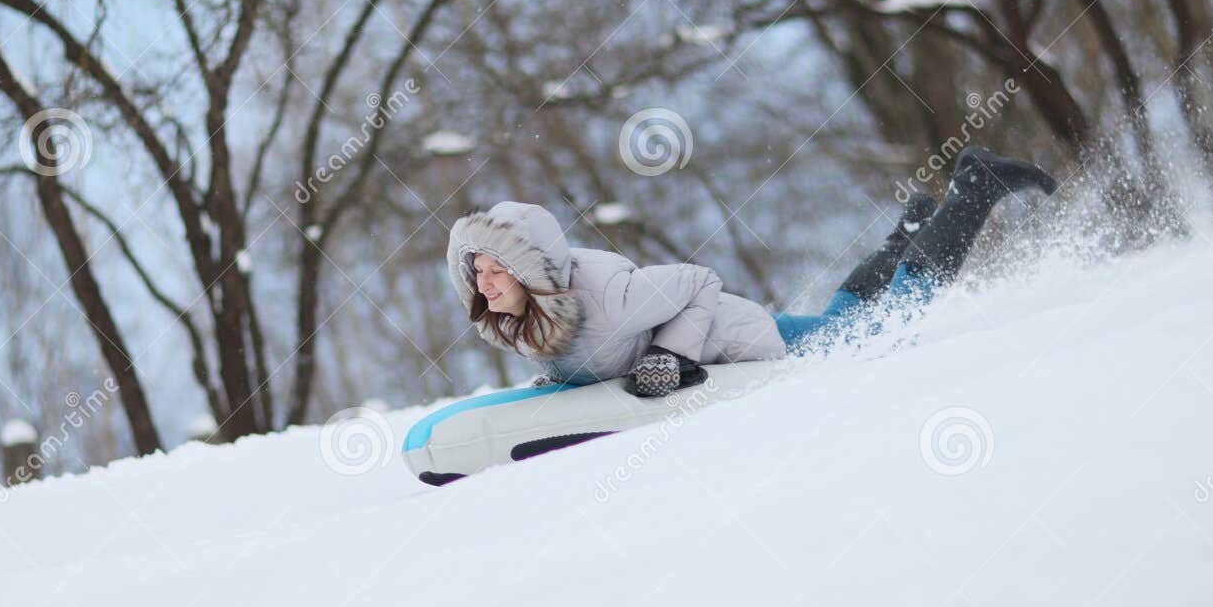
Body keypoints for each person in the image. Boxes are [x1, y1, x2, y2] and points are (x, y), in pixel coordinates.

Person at [446, 147, 1057, 397]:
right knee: (843, 322)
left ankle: (977, 186)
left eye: (499, 271)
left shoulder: (610, 293)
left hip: (741, 341)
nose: (487, 285)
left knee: (885, 332)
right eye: (479, 275)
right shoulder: (523, 318)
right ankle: (910, 233)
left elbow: (700, 281)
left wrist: (669, 358)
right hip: (737, 343)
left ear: (535, 271)